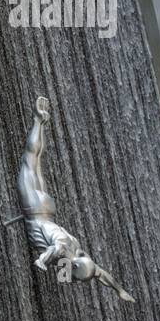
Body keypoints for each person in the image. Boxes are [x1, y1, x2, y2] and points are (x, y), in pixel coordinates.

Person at [16, 97, 135, 302]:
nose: (71, 277)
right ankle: (37, 120)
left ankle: (41, 123)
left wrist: (119, 290)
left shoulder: (78, 250)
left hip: (47, 210)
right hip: (33, 209)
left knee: (36, 163)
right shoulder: (64, 248)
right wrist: (42, 261)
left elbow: (102, 275)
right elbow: (55, 250)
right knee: (29, 161)